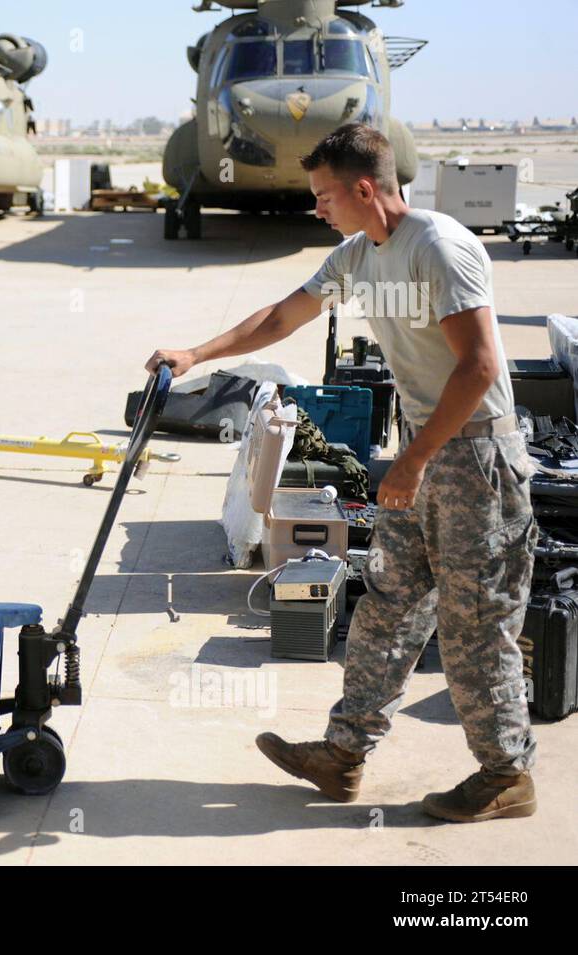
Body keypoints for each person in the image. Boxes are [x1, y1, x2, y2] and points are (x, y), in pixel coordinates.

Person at [147, 124, 538, 823]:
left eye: (325, 196)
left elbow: (479, 366)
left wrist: (413, 463)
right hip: (426, 446)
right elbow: (282, 316)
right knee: (389, 603)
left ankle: (506, 774)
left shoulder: (438, 247)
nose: (318, 209)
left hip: (475, 457)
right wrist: (196, 353)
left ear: (364, 188)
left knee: (475, 623)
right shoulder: (359, 253)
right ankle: (343, 753)